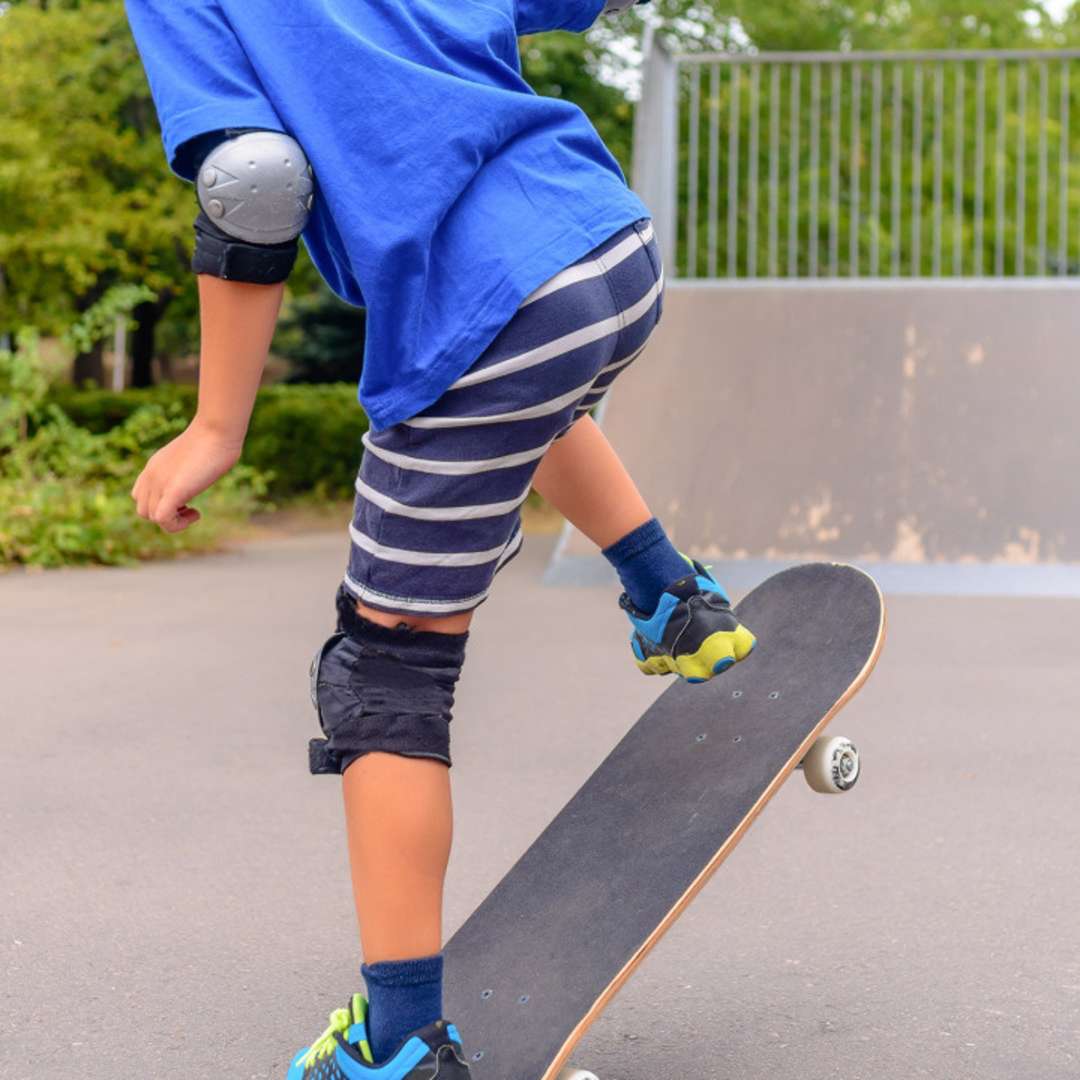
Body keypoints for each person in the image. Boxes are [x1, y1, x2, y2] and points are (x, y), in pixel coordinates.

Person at [125, 1, 755, 1075]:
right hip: (603, 242)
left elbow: (256, 181)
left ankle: (399, 1040)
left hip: (487, 307)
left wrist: (216, 422)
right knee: (524, 397)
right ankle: (672, 601)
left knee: (385, 679)